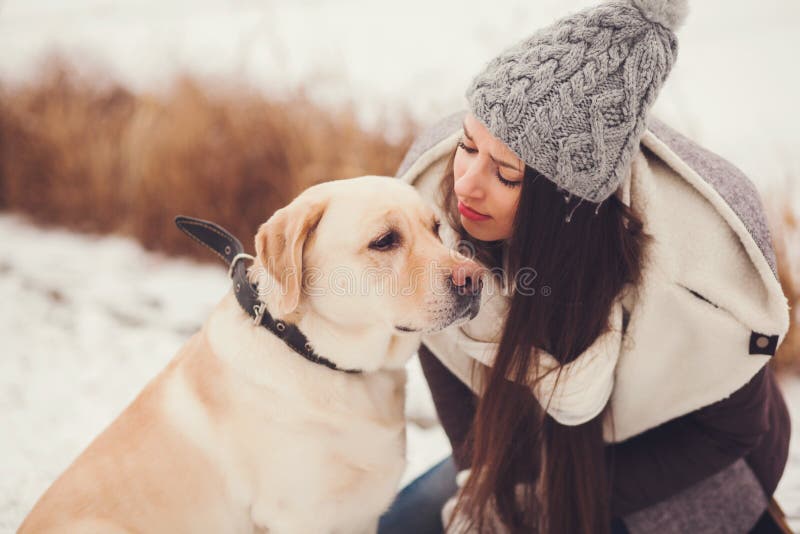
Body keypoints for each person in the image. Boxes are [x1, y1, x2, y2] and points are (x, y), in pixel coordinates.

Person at [377, 0, 793, 533]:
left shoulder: (692, 282)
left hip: (677, 466)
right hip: (520, 451)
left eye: (506, 174)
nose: (466, 184)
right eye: (467, 145)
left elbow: (731, 431)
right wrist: (505, 497)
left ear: (565, 205)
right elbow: (467, 430)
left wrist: (570, 499)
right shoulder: (436, 225)